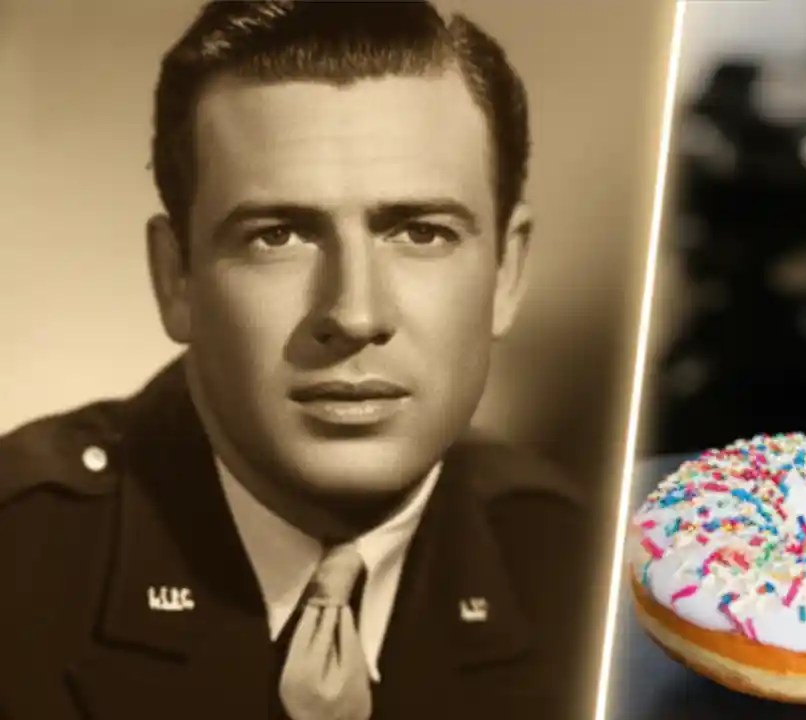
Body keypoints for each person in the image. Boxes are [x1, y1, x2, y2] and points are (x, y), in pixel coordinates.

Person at [0, 2, 600, 718]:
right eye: (277, 235)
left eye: (420, 231)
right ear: (176, 279)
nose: (353, 313)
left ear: (506, 273)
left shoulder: (591, 573)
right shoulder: (19, 559)